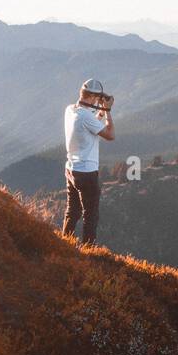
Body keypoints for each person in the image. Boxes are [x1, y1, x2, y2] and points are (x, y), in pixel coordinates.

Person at [62, 78, 114, 244]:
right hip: (86, 173)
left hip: (71, 169)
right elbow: (110, 135)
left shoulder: (70, 110)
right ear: (91, 97)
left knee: (72, 212)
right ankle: (88, 251)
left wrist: (100, 112)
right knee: (90, 215)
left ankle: (64, 244)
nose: (98, 101)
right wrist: (107, 111)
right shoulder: (85, 116)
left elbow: (89, 124)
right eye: (97, 98)